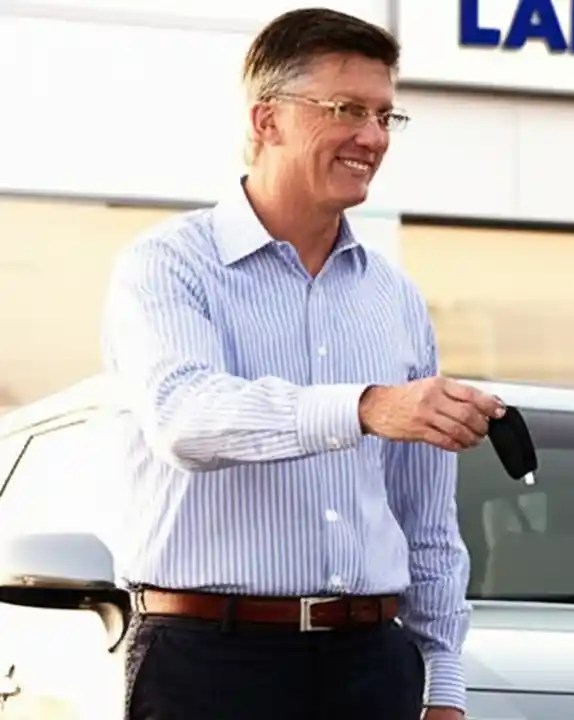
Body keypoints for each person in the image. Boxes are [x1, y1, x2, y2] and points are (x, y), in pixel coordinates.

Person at [99, 8, 505, 720]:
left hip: (372, 666)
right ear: (266, 120)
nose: (373, 137)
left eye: (386, 115)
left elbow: (427, 517)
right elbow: (186, 420)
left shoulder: (395, 298)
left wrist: (442, 679)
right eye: (346, 109)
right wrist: (364, 407)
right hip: (209, 666)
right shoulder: (166, 267)